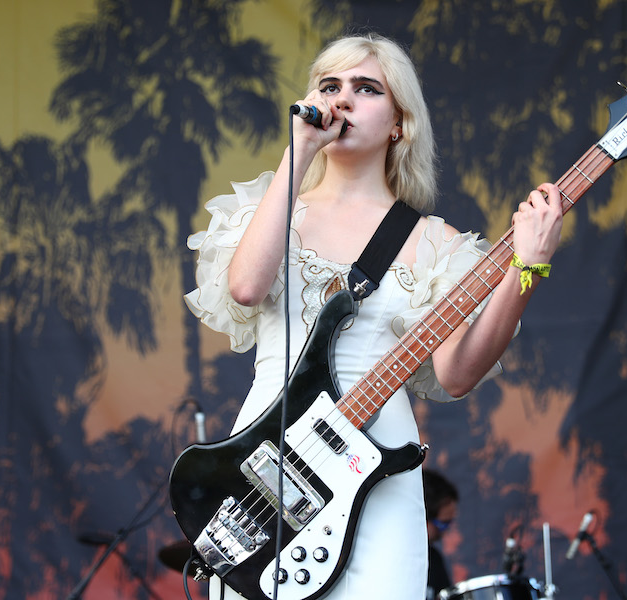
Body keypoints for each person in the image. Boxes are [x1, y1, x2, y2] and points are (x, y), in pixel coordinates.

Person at [184, 32, 563, 600]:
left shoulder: (434, 242)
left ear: (398, 123)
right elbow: (244, 287)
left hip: (375, 472)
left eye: (366, 89)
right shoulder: (273, 209)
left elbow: (458, 375)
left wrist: (525, 271)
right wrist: (299, 152)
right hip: (267, 462)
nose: (343, 100)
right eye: (330, 86)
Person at [423, 469, 460, 600]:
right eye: (443, 523)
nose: (446, 530)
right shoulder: (390, 558)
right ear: (423, 519)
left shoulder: (435, 560)